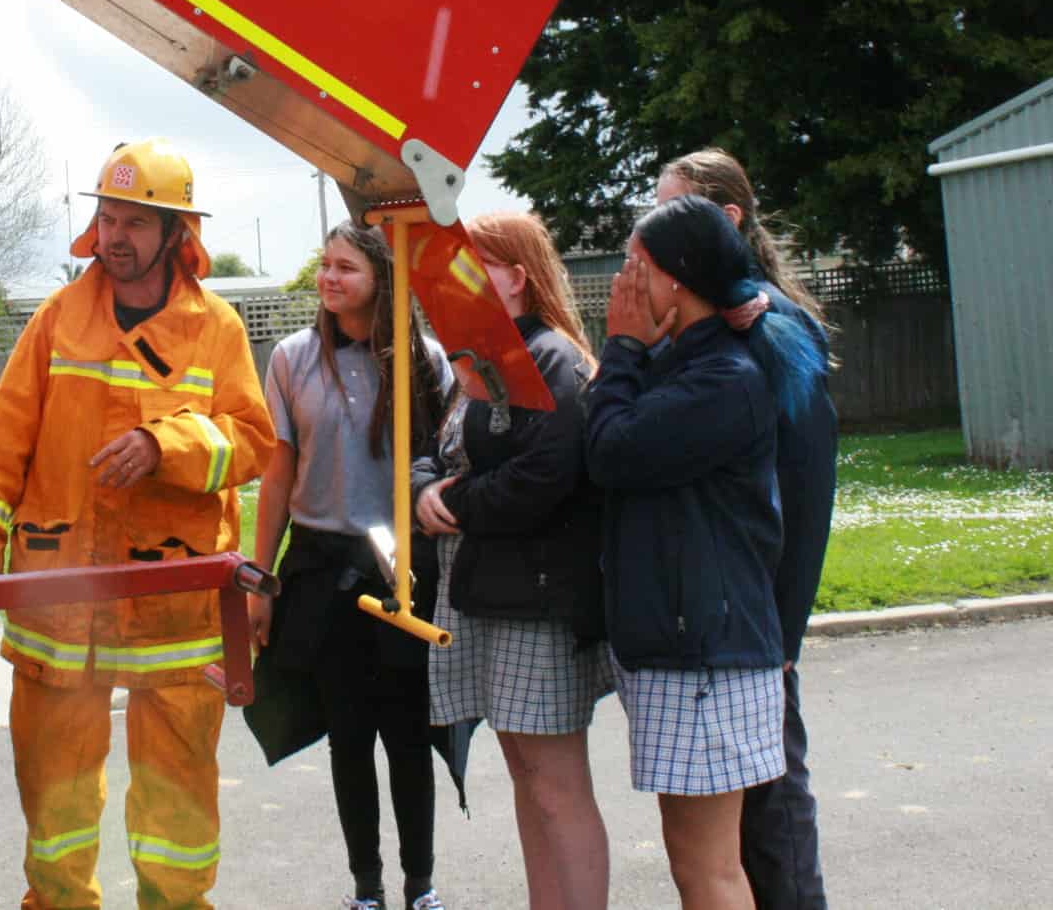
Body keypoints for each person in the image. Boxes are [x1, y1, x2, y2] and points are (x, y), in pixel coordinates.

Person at [0, 137, 275, 910]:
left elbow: (253, 441)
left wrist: (167, 444)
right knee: (54, 801)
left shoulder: (217, 327)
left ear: (176, 235)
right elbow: (3, 441)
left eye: (135, 221)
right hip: (63, 601)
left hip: (176, 604)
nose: (116, 236)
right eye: (107, 217)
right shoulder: (59, 320)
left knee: (178, 804)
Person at [585, 194, 827, 910]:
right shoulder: (692, 366)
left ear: (676, 282)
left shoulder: (722, 379)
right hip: (693, 648)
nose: (625, 285)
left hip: (706, 655)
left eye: (636, 267)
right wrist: (634, 354)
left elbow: (610, 450)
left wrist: (623, 347)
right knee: (698, 858)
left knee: (708, 866)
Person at [413, 211, 614, 910]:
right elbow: (432, 455)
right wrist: (420, 493)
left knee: (557, 786)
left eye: (476, 265)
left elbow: (548, 472)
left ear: (517, 277)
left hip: (539, 604)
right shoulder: (478, 359)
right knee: (527, 777)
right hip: (483, 595)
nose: (456, 280)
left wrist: (456, 503)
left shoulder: (553, 358)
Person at [250, 221, 452, 910]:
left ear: (381, 282)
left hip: (402, 569)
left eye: (346, 268)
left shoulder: (426, 362)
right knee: (348, 737)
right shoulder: (292, 358)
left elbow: (447, 471)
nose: (330, 279)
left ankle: (421, 887)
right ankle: (366, 890)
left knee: (409, 736)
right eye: (325, 266)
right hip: (320, 569)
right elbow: (277, 479)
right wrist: (261, 579)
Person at [657, 150, 837, 910]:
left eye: (671, 213)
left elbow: (806, 491)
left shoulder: (773, 328)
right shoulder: (714, 323)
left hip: (756, 618)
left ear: (724, 221)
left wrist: (785, 633)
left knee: (771, 805)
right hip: (725, 606)